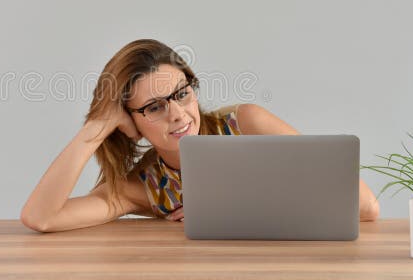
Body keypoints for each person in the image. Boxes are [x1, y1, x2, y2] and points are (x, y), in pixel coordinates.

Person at [21, 39, 380, 233]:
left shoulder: (245, 125)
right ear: (129, 123)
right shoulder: (146, 187)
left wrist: (233, 208)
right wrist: (97, 124)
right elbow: (42, 217)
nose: (178, 114)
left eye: (181, 94)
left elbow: (365, 207)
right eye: (154, 107)